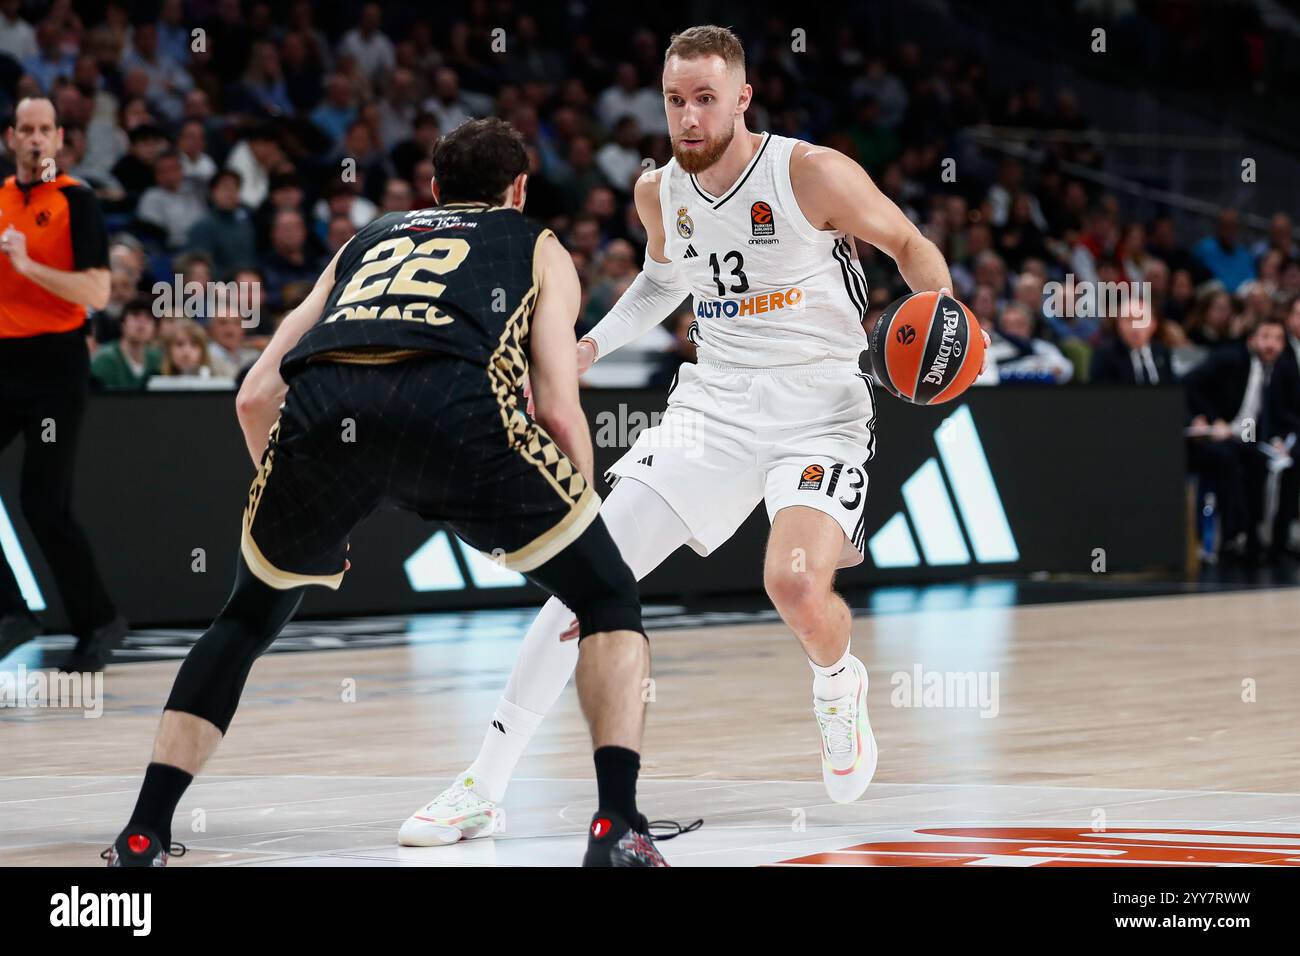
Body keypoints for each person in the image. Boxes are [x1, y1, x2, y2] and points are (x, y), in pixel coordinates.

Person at [401, 25, 986, 847]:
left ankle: (835, 683)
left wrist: (943, 325)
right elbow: (662, 281)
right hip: (711, 408)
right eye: (676, 100)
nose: (688, 117)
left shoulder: (810, 172)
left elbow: (911, 246)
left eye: (705, 99)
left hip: (820, 408)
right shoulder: (659, 191)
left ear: (743, 98)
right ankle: (482, 785)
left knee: (794, 584)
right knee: (582, 581)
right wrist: (593, 344)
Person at [106, 117, 668, 868]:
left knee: (243, 620)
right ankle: (617, 827)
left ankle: (143, 832)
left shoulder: (367, 237)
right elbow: (559, 406)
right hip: (457, 411)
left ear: (432, 190)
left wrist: (310, 510)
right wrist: (582, 538)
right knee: (608, 601)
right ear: (520, 190)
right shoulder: (535, 243)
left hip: (323, 412)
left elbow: (252, 395)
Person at [0, 97, 127, 671]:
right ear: (10, 138)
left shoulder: (76, 200)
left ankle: (99, 622)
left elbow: (98, 292)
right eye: (25, 129)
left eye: (44, 130)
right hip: (2, 363)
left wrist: (29, 267)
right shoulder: (0, 199)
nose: (34, 139)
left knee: (44, 503)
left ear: (57, 139)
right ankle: (14, 613)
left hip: (55, 367)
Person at [1185, 315, 1300, 564]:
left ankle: (1259, 539)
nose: (1272, 345)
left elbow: (1273, 414)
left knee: (1263, 462)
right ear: (1252, 339)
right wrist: (1210, 419)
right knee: (1229, 459)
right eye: (1266, 337)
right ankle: (1231, 535)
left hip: (1245, 439)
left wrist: (1277, 439)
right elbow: (1189, 384)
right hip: (1208, 437)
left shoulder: (1276, 369)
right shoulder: (1230, 359)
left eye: (1278, 339)